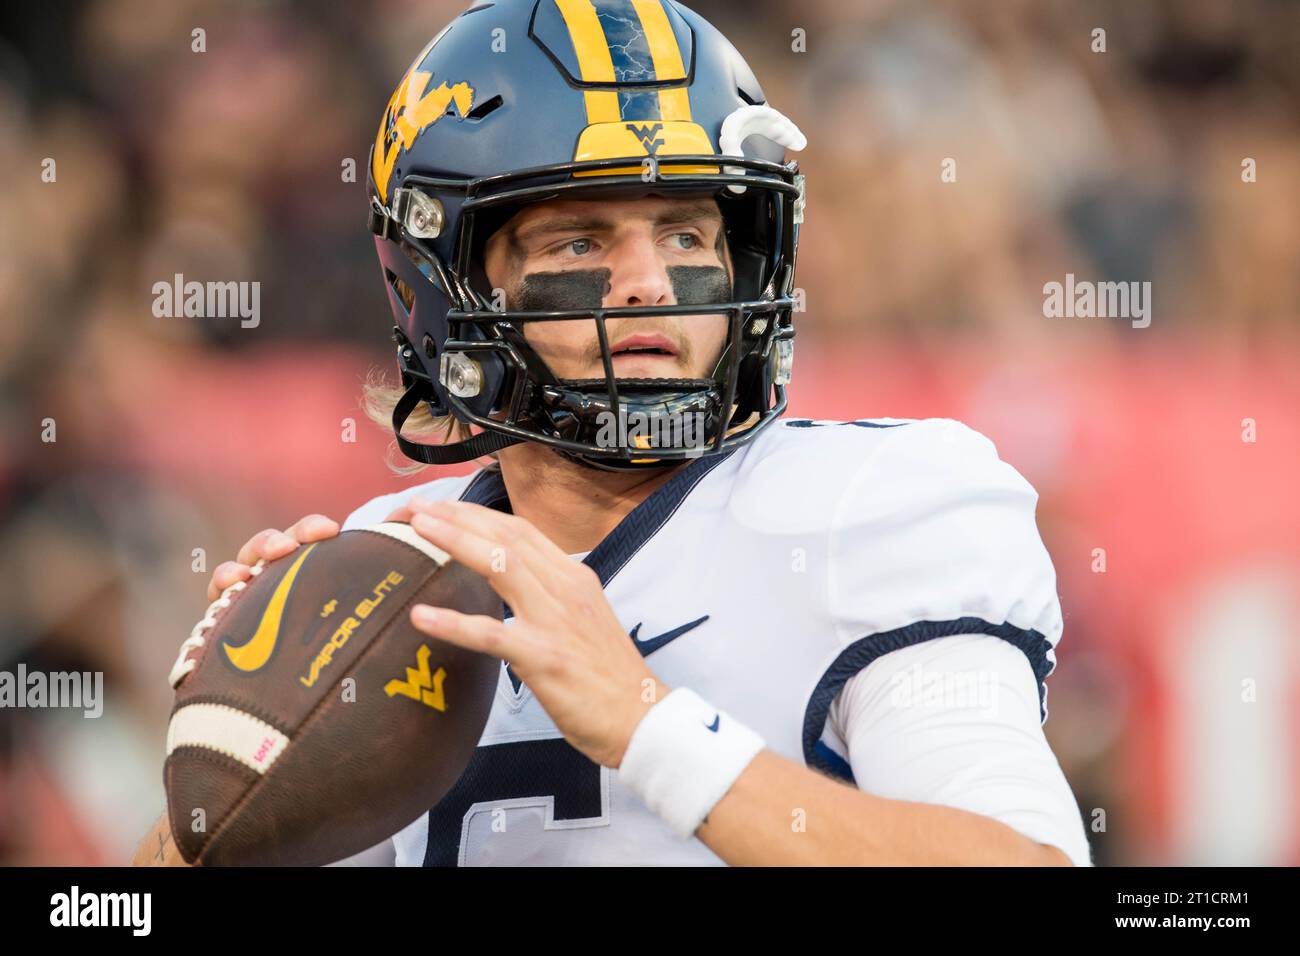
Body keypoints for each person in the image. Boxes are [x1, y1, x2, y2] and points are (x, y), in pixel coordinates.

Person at [135, 0, 1090, 867]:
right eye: (579, 240)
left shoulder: (875, 501)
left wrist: (646, 726)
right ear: (449, 286)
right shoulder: (400, 558)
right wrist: (226, 774)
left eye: (684, 233)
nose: (653, 283)